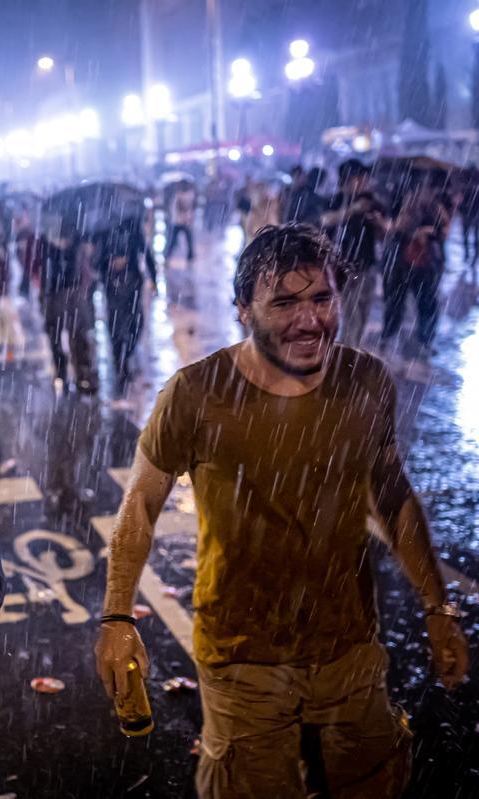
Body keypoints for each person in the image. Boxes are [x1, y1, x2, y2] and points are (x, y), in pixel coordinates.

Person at [95, 223, 468, 799]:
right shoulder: (196, 393)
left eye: (321, 298)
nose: (309, 319)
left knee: (374, 782)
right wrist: (117, 618)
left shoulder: (366, 380)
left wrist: (437, 605)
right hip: (243, 656)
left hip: (349, 648)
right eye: (285, 302)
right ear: (243, 309)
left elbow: (392, 496)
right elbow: (141, 505)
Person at [380, 180, 451, 357]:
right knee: (395, 303)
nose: (427, 193)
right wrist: (415, 232)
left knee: (427, 304)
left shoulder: (436, 209)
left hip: (425, 265)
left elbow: (442, 233)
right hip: (402, 264)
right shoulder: (403, 205)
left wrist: (435, 230)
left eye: (430, 190)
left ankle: (425, 340)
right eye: (425, 189)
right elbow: (394, 230)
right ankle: (387, 337)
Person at [321, 159, 387, 348]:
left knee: (363, 315)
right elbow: (325, 220)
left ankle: (353, 352)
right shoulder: (336, 200)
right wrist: (352, 210)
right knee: (352, 318)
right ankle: (348, 358)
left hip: (368, 267)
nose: (365, 182)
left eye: (365, 178)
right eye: (360, 178)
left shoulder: (372, 203)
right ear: (348, 180)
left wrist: (378, 224)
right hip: (343, 269)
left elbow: (384, 235)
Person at [99, 217, 157, 397]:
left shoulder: (133, 225)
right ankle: (120, 365)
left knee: (135, 323)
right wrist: (109, 262)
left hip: (132, 282)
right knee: (116, 325)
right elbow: (97, 259)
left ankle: (127, 352)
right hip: (112, 284)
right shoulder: (102, 228)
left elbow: (145, 252)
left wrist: (153, 277)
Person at [39, 227, 98, 394]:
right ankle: (62, 374)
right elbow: (37, 266)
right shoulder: (45, 243)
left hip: (73, 291)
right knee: (56, 337)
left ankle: (82, 376)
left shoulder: (77, 239)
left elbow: (84, 265)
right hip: (54, 293)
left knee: (79, 336)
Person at [165, 181, 197, 262]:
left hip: (178, 221)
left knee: (173, 240)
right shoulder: (191, 195)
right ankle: (190, 256)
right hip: (186, 220)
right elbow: (193, 208)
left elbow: (173, 208)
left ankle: (167, 256)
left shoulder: (178, 195)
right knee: (188, 239)